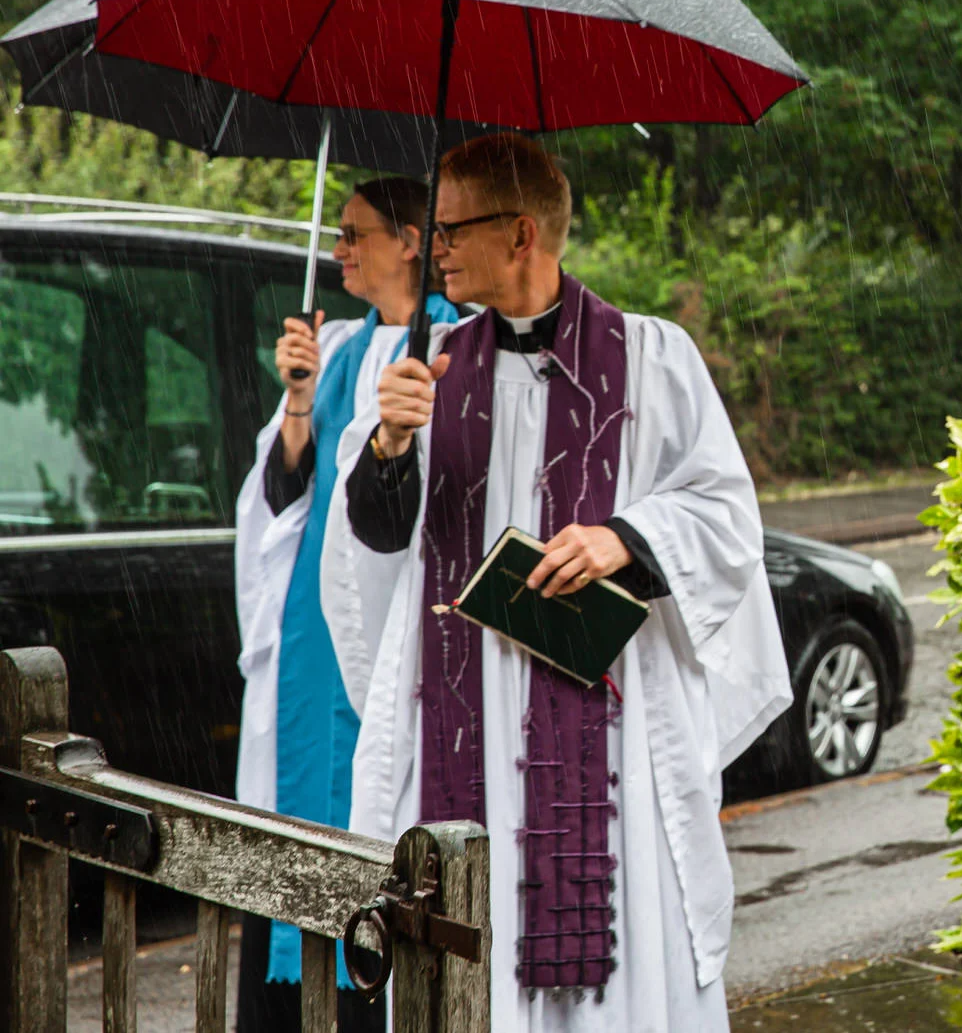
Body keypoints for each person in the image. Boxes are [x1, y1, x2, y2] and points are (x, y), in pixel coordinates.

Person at [318, 132, 789, 1030]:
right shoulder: (419, 368)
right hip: (464, 720)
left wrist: (626, 538)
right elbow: (371, 545)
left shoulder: (654, 358)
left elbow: (727, 517)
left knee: (619, 967)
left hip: (608, 739)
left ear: (523, 233)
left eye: (452, 229)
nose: (435, 246)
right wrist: (389, 443)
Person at [233, 176, 459, 1031]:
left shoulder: (453, 343)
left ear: (410, 239)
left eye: (355, 234)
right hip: (310, 638)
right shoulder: (336, 352)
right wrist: (297, 399)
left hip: (391, 628)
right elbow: (284, 498)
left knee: (377, 835)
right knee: (298, 826)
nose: (339, 252)